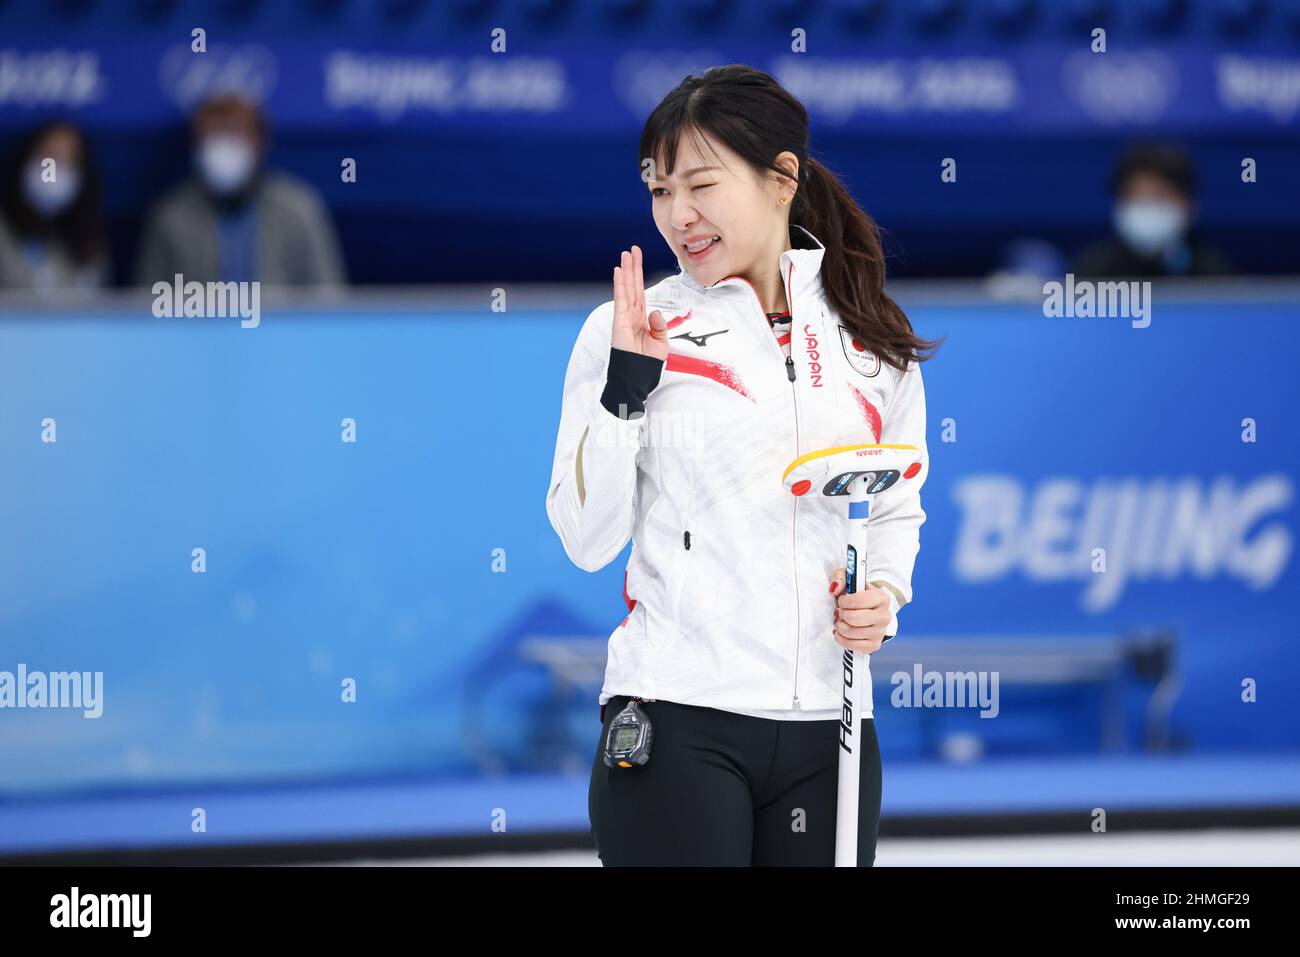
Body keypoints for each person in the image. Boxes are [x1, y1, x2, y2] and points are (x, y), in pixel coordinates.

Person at [545, 64, 940, 866]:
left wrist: (886, 593)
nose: (677, 215)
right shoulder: (628, 327)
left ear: (781, 178)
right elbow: (585, 539)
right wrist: (626, 389)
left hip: (831, 723)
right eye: (659, 191)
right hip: (679, 716)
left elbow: (897, 496)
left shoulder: (872, 336)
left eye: (700, 185)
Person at [135, 92, 345, 288]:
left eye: (234, 134)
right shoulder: (170, 217)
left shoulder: (300, 210)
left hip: (282, 328)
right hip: (197, 327)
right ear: (196, 146)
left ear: (260, 142)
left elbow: (328, 299)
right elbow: (147, 308)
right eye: (213, 136)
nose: (224, 147)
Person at [1073, 142, 1232, 278]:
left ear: (1189, 206)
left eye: (1160, 196)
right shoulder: (1092, 271)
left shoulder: (1213, 273)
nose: (1148, 207)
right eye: (1137, 197)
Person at [0, 121, 109, 293]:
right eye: (48, 157)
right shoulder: (4, 229)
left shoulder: (91, 238)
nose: (54, 172)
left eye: (66, 160)